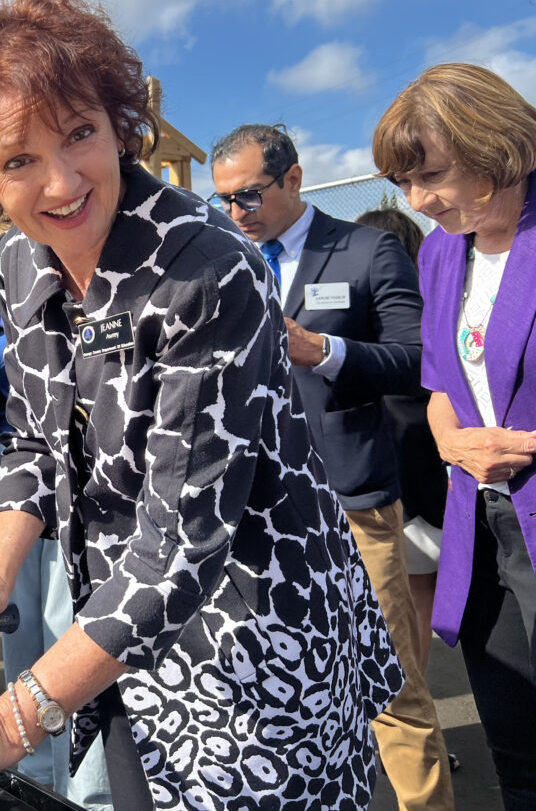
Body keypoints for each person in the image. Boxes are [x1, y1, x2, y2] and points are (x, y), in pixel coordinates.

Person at [0, 0, 401, 809]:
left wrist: (9, 723)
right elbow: (31, 439)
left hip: (258, 640)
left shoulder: (206, 266)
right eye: (18, 161)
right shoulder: (20, 265)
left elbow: (185, 539)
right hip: (121, 645)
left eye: (80, 134)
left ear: (118, 126)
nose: (61, 184)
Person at [211, 125, 452, 809]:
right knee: (280, 688)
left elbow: (417, 361)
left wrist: (324, 350)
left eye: (249, 195)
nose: (236, 213)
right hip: (255, 513)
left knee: (393, 688)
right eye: (223, 200)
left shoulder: (368, 249)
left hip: (353, 501)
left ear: (293, 178)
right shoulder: (225, 264)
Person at [373, 62, 536, 808]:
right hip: (481, 520)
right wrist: (449, 442)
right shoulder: (442, 248)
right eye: (404, 183)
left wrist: (527, 446)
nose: (417, 201)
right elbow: (437, 379)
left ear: (495, 144)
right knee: (513, 733)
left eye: (431, 175)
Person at [0, 215, 110, 808]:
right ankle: (33, 781)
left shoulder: (88, 280)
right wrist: (23, 334)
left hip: (78, 503)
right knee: (19, 641)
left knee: (71, 638)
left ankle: (85, 790)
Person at [355, 207, 447, 671]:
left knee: (397, 604)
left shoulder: (347, 324)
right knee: (419, 596)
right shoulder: (434, 310)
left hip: (382, 485)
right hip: (433, 482)